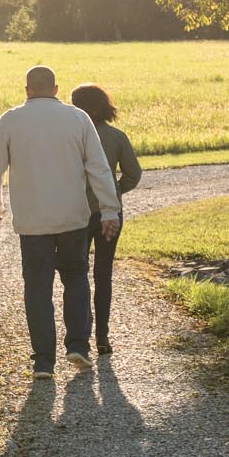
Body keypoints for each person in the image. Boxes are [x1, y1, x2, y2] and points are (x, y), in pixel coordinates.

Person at [0, 65, 121, 378]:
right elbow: (98, 168)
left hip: (32, 221)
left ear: (27, 89)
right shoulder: (77, 118)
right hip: (72, 216)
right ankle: (78, 346)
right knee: (75, 277)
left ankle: (43, 361)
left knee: (37, 286)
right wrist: (109, 209)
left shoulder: (11, 120)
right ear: (56, 89)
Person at [69, 83, 142, 354]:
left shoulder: (71, 136)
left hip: (78, 213)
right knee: (104, 273)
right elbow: (134, 173)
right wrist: (115, 190)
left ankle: (81, 335)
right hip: (110, 213)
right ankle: (103, 336)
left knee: (78, 274)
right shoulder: (116, 136)